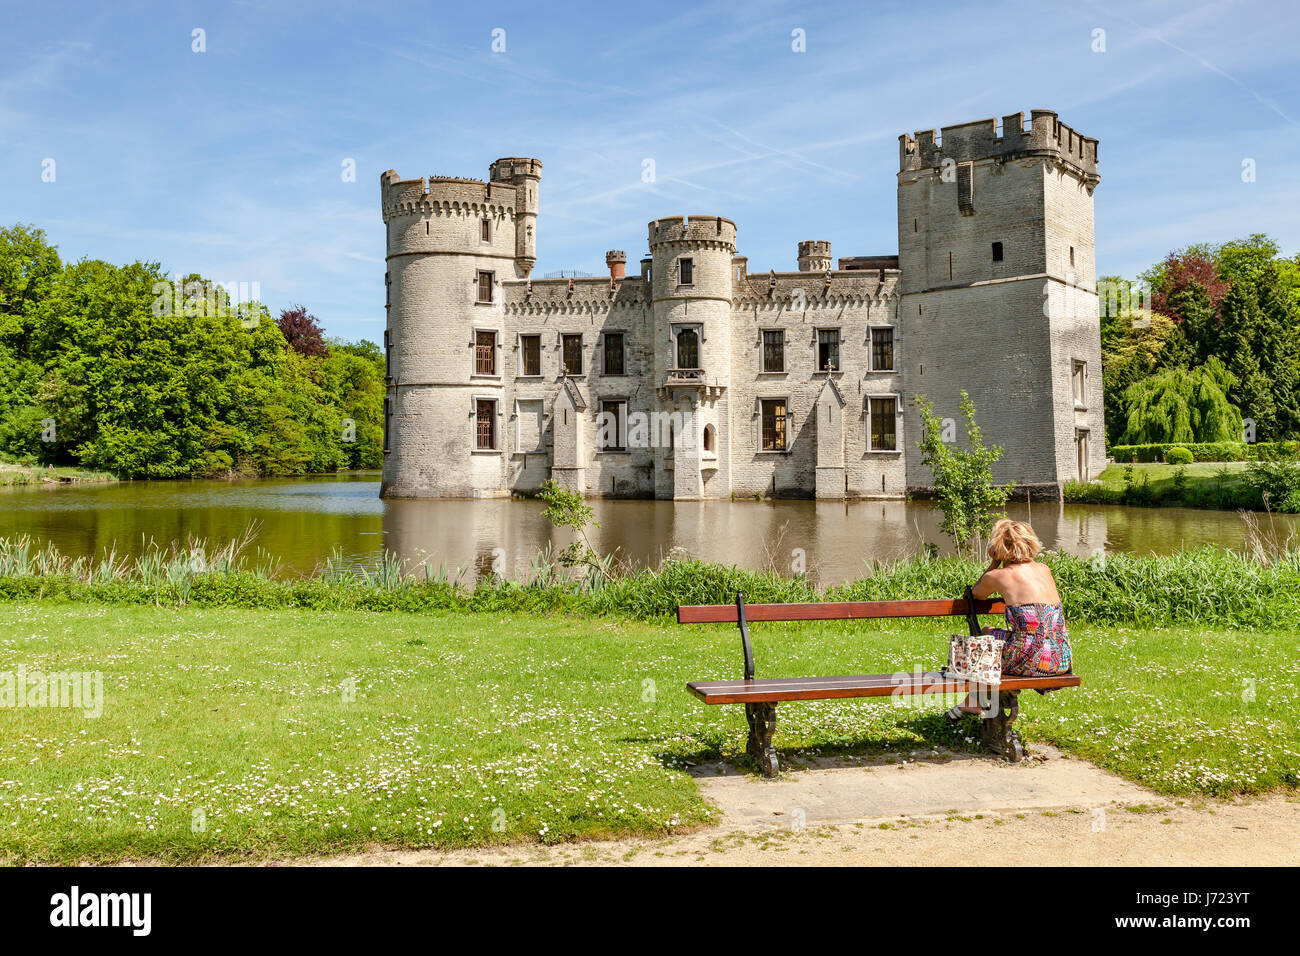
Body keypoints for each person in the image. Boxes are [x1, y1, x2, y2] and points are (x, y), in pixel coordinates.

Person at [947, 519, 1073, 717]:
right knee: (998, 639)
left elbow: (976, 594)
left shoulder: (998, 575)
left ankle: (974, 701)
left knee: (986, 635)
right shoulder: (1044, 569)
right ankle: (976, 701)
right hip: (1060, 657)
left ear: (998, 547)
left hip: (1033, 659)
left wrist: (994, 562)